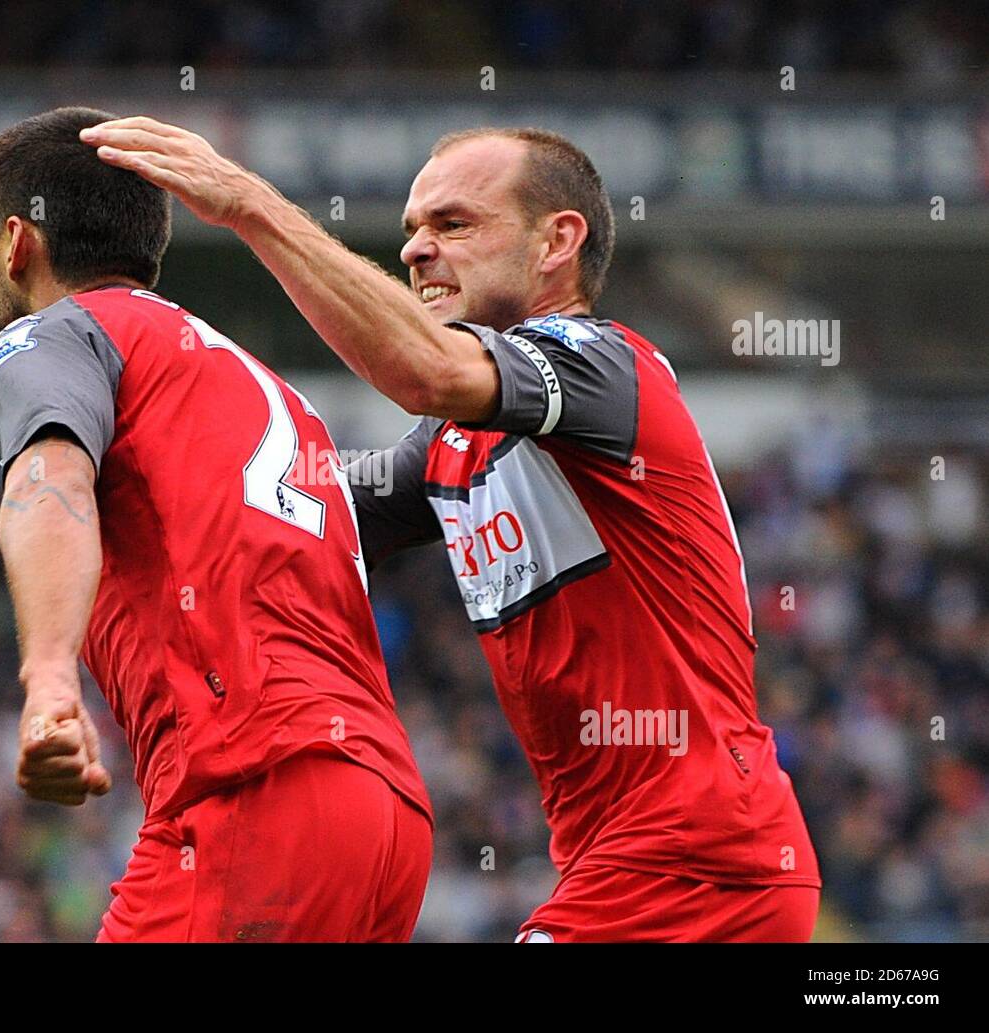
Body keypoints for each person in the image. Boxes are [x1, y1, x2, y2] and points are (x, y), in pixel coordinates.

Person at [80, 116, 822, 942]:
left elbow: (425, 369)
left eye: (454, 224)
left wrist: (255, 207)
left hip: (700, 859)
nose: (416, 249)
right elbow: (299, 504)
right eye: (412, 230)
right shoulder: (452, 447)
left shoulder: (605, 366)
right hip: (631, 862)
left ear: (557, 242)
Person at [0, 107, 432, 942]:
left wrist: (49, 683)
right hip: (382, 812)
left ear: (15, 242)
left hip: (252, 790)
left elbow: (51, 475)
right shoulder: (265, 389)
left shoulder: (50, 339)